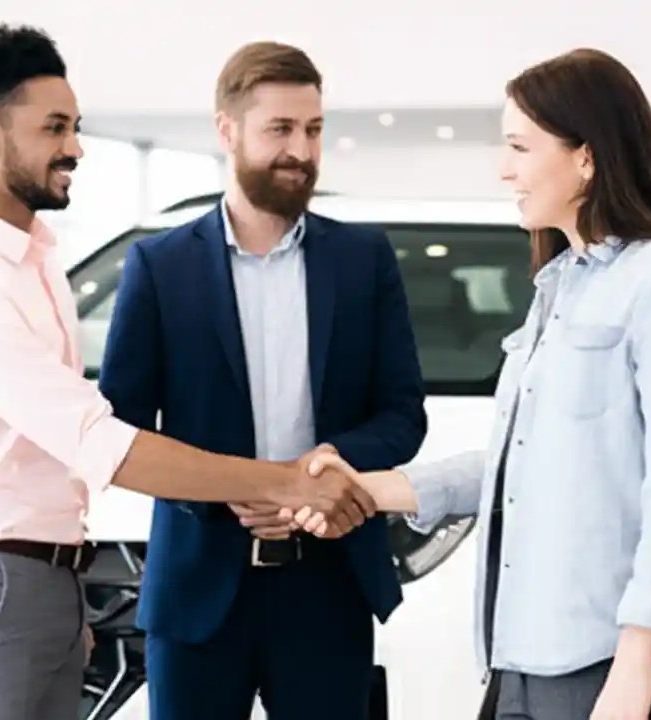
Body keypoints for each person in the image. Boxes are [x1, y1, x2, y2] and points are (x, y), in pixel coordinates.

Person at [0, 24, 373, 720]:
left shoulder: (33, 258)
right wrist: (283, 481)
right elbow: (103, 439)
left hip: (38, 581)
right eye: (55, 128)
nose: (76, 148)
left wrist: (57, 598)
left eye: (75, 126)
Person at [301, 48, 651, 720]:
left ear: (586, 157)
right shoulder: (558, 287)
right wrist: (375, 486)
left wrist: (636, 662)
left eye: (519, 147)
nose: (505, 169)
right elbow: (525, 462)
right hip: (517, 659)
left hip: (605, 664)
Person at [96, 41, 427, 720]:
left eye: (312, 130)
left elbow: (402, 416)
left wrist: (319, 475)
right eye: (280, 129)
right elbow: (119, 431)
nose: (300, 151)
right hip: (198, 587)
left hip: (329, 585)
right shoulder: (159, 266)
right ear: (228, 130)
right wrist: (233, 489)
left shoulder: (363, 260)